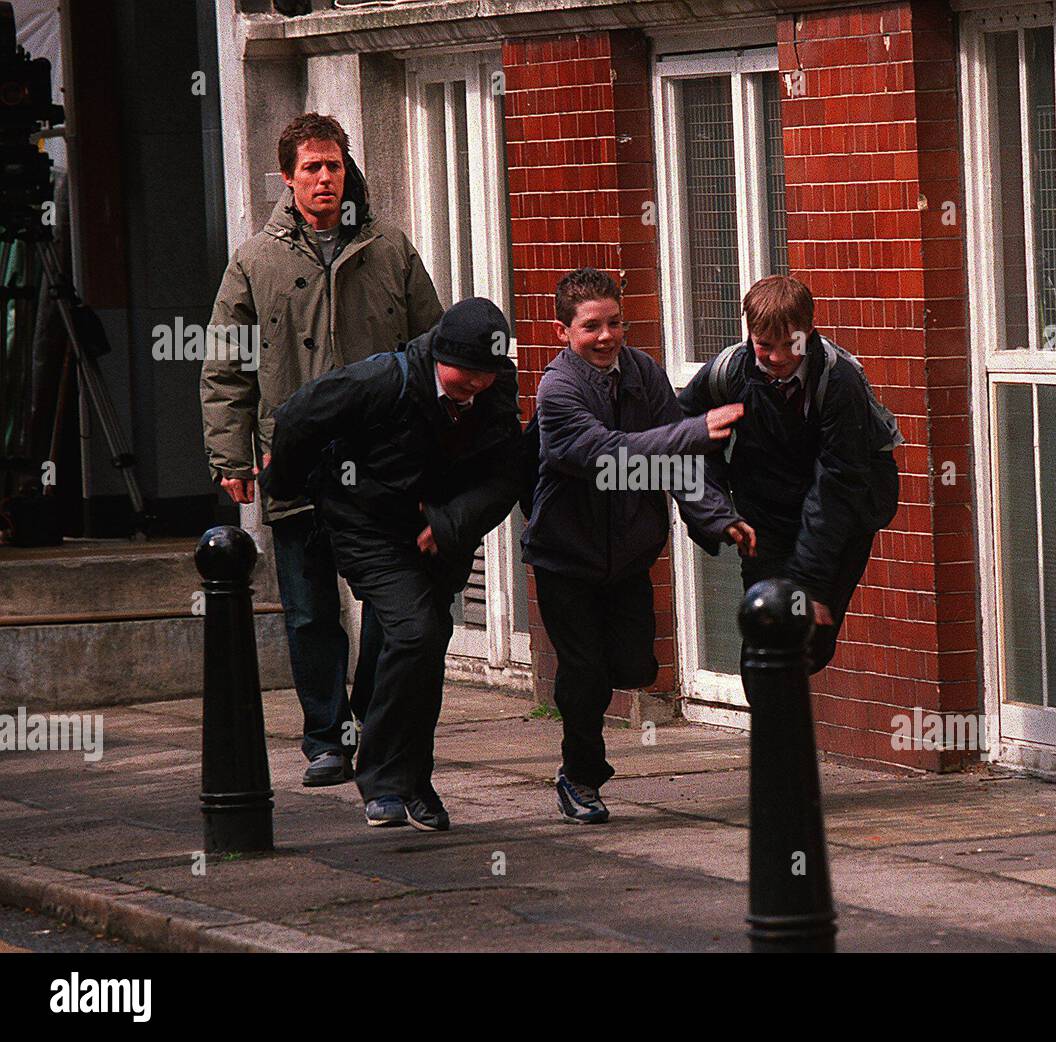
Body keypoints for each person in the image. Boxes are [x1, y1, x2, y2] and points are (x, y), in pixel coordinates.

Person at [200, 113, 442, 788]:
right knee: (310, 611)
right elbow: (225, 366)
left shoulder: (389, 248)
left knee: (392, 606)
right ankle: (326, 737)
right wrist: (231, 457)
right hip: (294, 462)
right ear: (287, 178)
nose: (325, 178)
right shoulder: (255, 261)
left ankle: (368, 715)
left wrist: (434, 447)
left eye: (334, 165)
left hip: (380, 465)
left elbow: (434, 347)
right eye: (311, 167)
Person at [260, 297, 523, 831]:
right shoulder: (381, 380)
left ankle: (415, 780)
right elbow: (297, 417)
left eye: (486, 376)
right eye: (464, 374)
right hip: (367, 526)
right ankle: (381, 778)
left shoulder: (495, 393)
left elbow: (507, 476)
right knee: (416, 634)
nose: (474, 386)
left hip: (436, 535)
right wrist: (286, 488)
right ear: (439, 357)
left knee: (417, 651)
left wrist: (449, 524)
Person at [522, 268, 755, 825]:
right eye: (590, 327)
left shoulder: (643, 373)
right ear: (564, 333)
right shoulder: (558, 389)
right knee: (584, 674)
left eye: (615, 324)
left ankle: (584, 755)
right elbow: (607, 456)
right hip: (565, 557)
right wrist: (695, 430)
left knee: (631, 667)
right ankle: (580, 778)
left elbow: (675, 463)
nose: (605, 337)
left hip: (626, 555)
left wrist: (720, 518)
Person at [678, 275, 901, 674]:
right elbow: (681, 439)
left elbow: (838, 482)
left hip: (842, 517)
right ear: (750, 334)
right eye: (764, 346)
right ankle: (768, 733)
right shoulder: (729, 370)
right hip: (767, 516)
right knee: (767, 629)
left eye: (789, 345)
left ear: (809, 331)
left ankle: (784, 727)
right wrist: (716, 512)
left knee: (810, 643)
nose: (777, 358)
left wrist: (808, 585)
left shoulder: (839, 381)